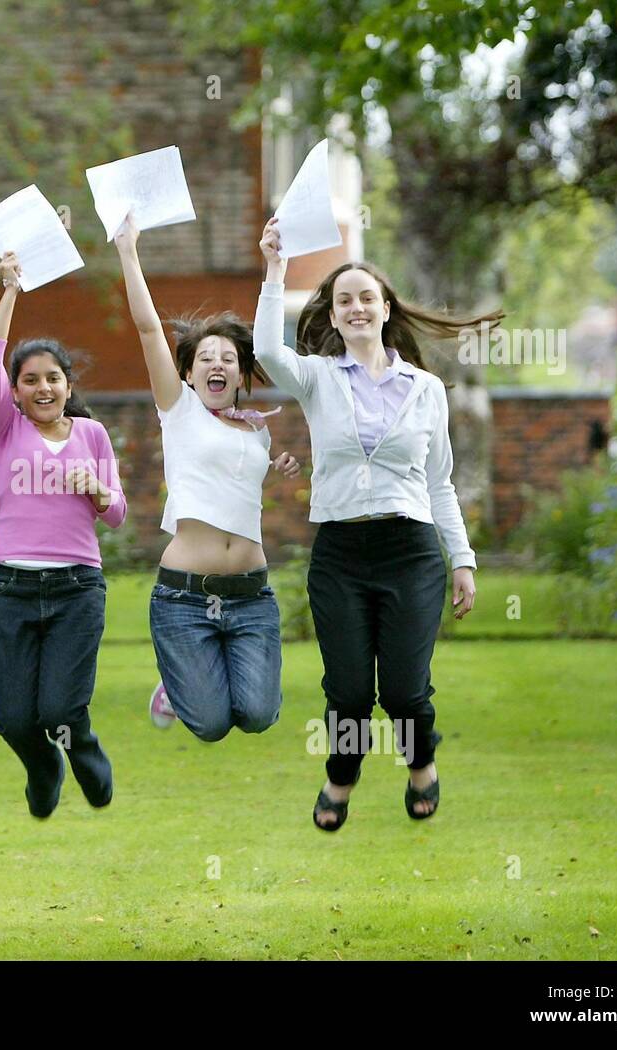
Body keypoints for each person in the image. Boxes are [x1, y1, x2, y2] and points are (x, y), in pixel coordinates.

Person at [252, 216, 495, 830]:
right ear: (331, 317)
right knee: (352, 692)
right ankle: (342, 774)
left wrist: (461, 558)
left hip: (410, 551)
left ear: (385, 309)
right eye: (343, 300)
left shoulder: (427, 390)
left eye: (367, 297)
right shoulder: (317, 379)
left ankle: (422, 766)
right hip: (341, 553)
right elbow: (265, 351)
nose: (356, 308)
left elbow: (439, 481)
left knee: (407, 692)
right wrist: (276, 269)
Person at [113, 213, 300, 743]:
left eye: (229, 359)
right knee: (213, 726)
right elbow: (149, 328)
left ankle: (197, 677)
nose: (218, 364)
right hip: (184, 597)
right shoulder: (179, 411)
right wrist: (129, 250)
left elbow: (232, 491)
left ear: (242, 374)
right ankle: (175, 685)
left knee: (259, 715)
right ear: (190, 373)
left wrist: (274, 468)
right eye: (205, 358)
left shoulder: (257, 433)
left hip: (250, 595)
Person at [0, 251, 127, 818]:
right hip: (13, 589)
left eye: (53, 379)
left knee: (62, 711)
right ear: (15, 391)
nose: (43, 388)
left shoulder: (92, 434)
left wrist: (99, 491)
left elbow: (116, 517)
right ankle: (44, 770)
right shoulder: (3, 428)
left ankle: (81, 747)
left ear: (68, 385)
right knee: (14, 719)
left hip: (76, 591)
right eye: (30, 380)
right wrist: (11, 289)